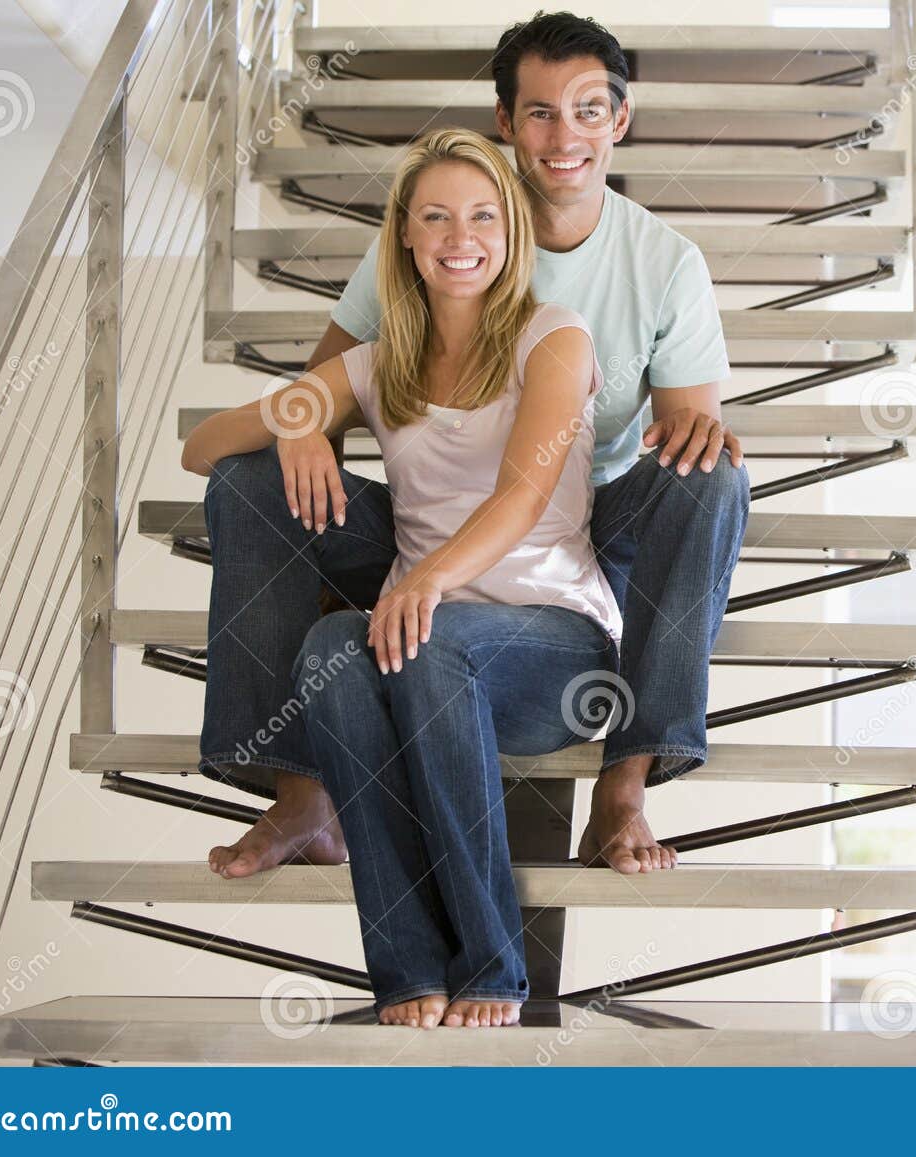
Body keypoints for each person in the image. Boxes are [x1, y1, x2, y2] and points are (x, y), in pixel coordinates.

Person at [194, 12, 750, 881]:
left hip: (587, 530)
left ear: (621, 121)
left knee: (710, 480)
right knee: (250, 480)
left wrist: (700, 430)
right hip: (426, 521)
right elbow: (322, 396)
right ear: (505, 122)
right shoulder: (447, 238)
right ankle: (299, 786)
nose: (564, 136)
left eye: (588, 111)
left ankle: (627, 781)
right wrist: (301, 423)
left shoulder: (664, 262)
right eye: (538, 112)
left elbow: (683, 431)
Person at [185, 128, 620, 1028]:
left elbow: (522, 491)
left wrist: (423, 584)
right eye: (436, 218)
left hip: (555, 639)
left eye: (482, 216)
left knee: (419, 647)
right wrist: (300, 421)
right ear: (408, 239)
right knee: (328, 645)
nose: (461, 237)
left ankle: (495, 966)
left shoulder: (556, 338)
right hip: (423, 633)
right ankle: (407, 967)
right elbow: (204, 448)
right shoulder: (380, 361)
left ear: (510, 233)